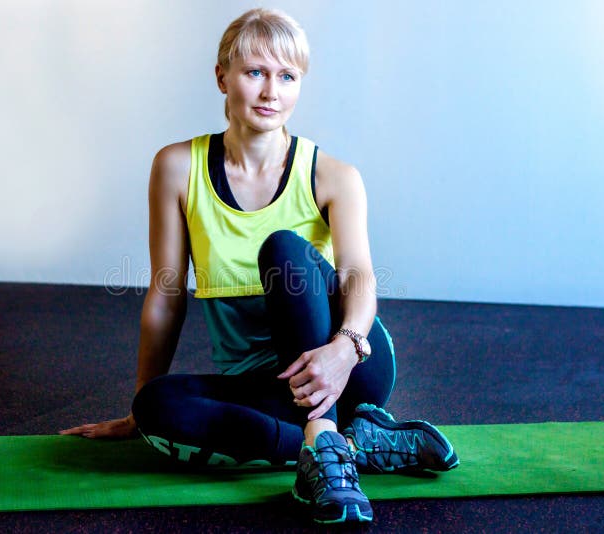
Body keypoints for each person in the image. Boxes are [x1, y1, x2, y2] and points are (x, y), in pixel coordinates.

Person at [61, 8, 458, 524]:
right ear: (222, 76)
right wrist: (137, 409)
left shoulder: (333, 176)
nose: (272, 91)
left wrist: (345, 347)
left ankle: (322, 442)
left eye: (287, 76)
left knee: (284, 251)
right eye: (255, 72)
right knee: (156, 408)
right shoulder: (178, 168)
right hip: (262, 388)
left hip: (347, 370)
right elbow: (167, 294)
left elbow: (359, 276)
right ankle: (351, 445)